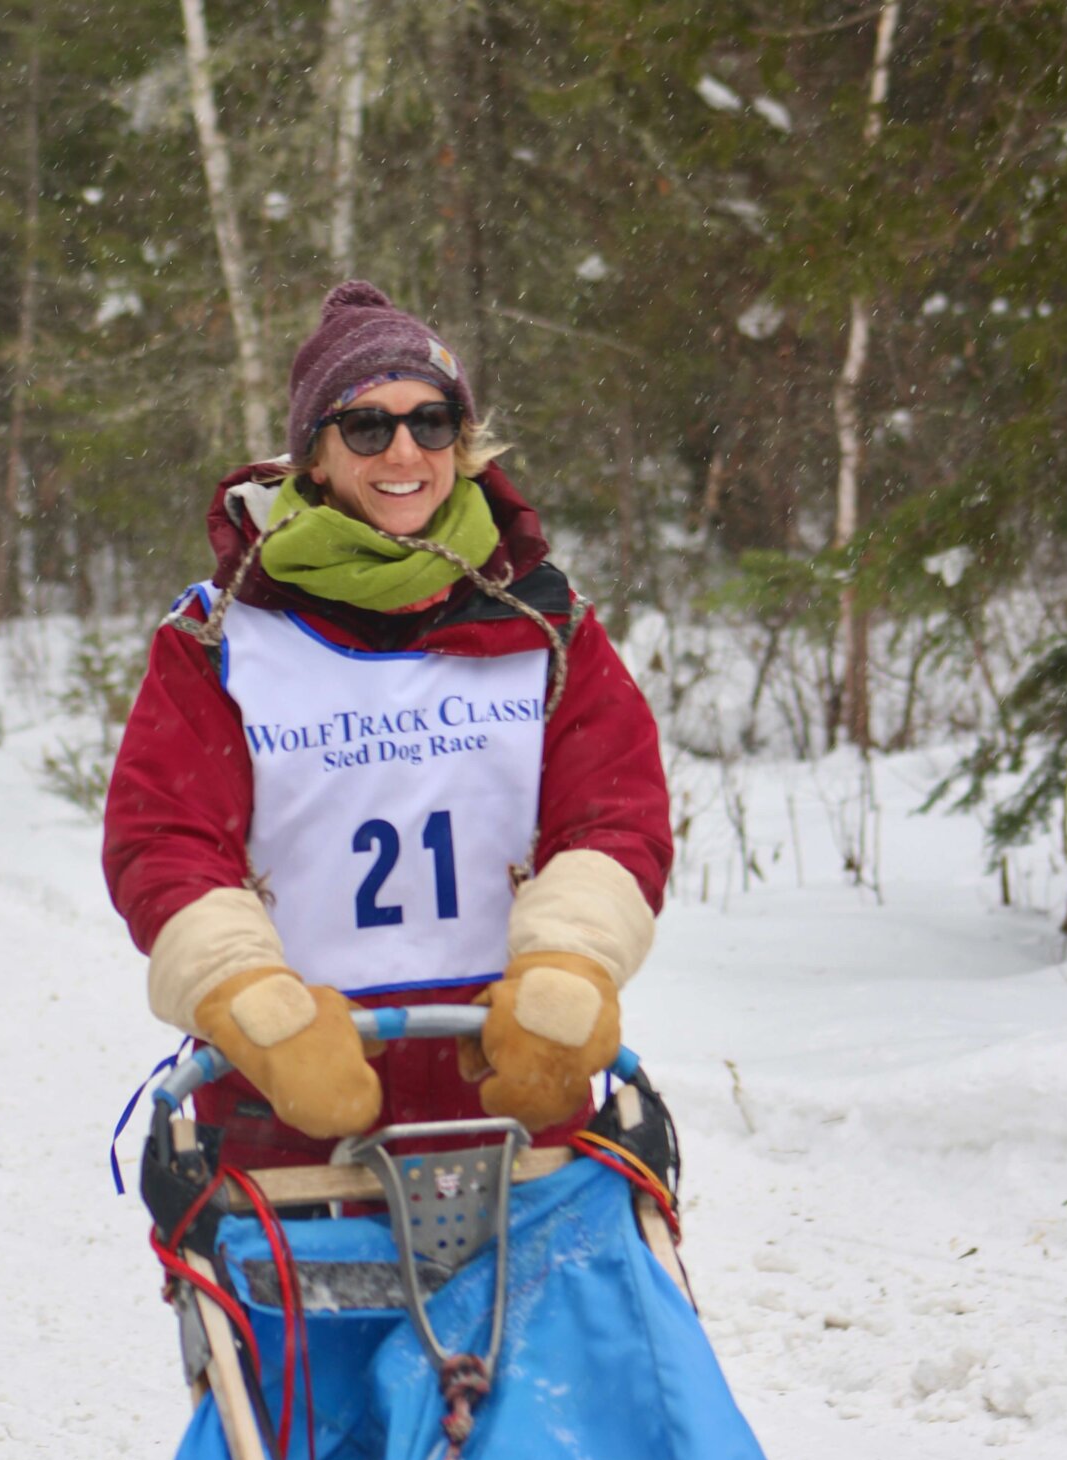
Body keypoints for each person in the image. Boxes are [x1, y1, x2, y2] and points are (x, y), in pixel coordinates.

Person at [103, 280, 673, 1170]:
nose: (403, 449)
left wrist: (569, 973)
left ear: (462, 440)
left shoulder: (544, 624)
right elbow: (165, 840)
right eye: (366, 426)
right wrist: (249, 1002)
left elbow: (613, 816)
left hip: (509, 1091)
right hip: (291, 1101)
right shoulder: (219, 639)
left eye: (431, 421)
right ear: (316, 459)